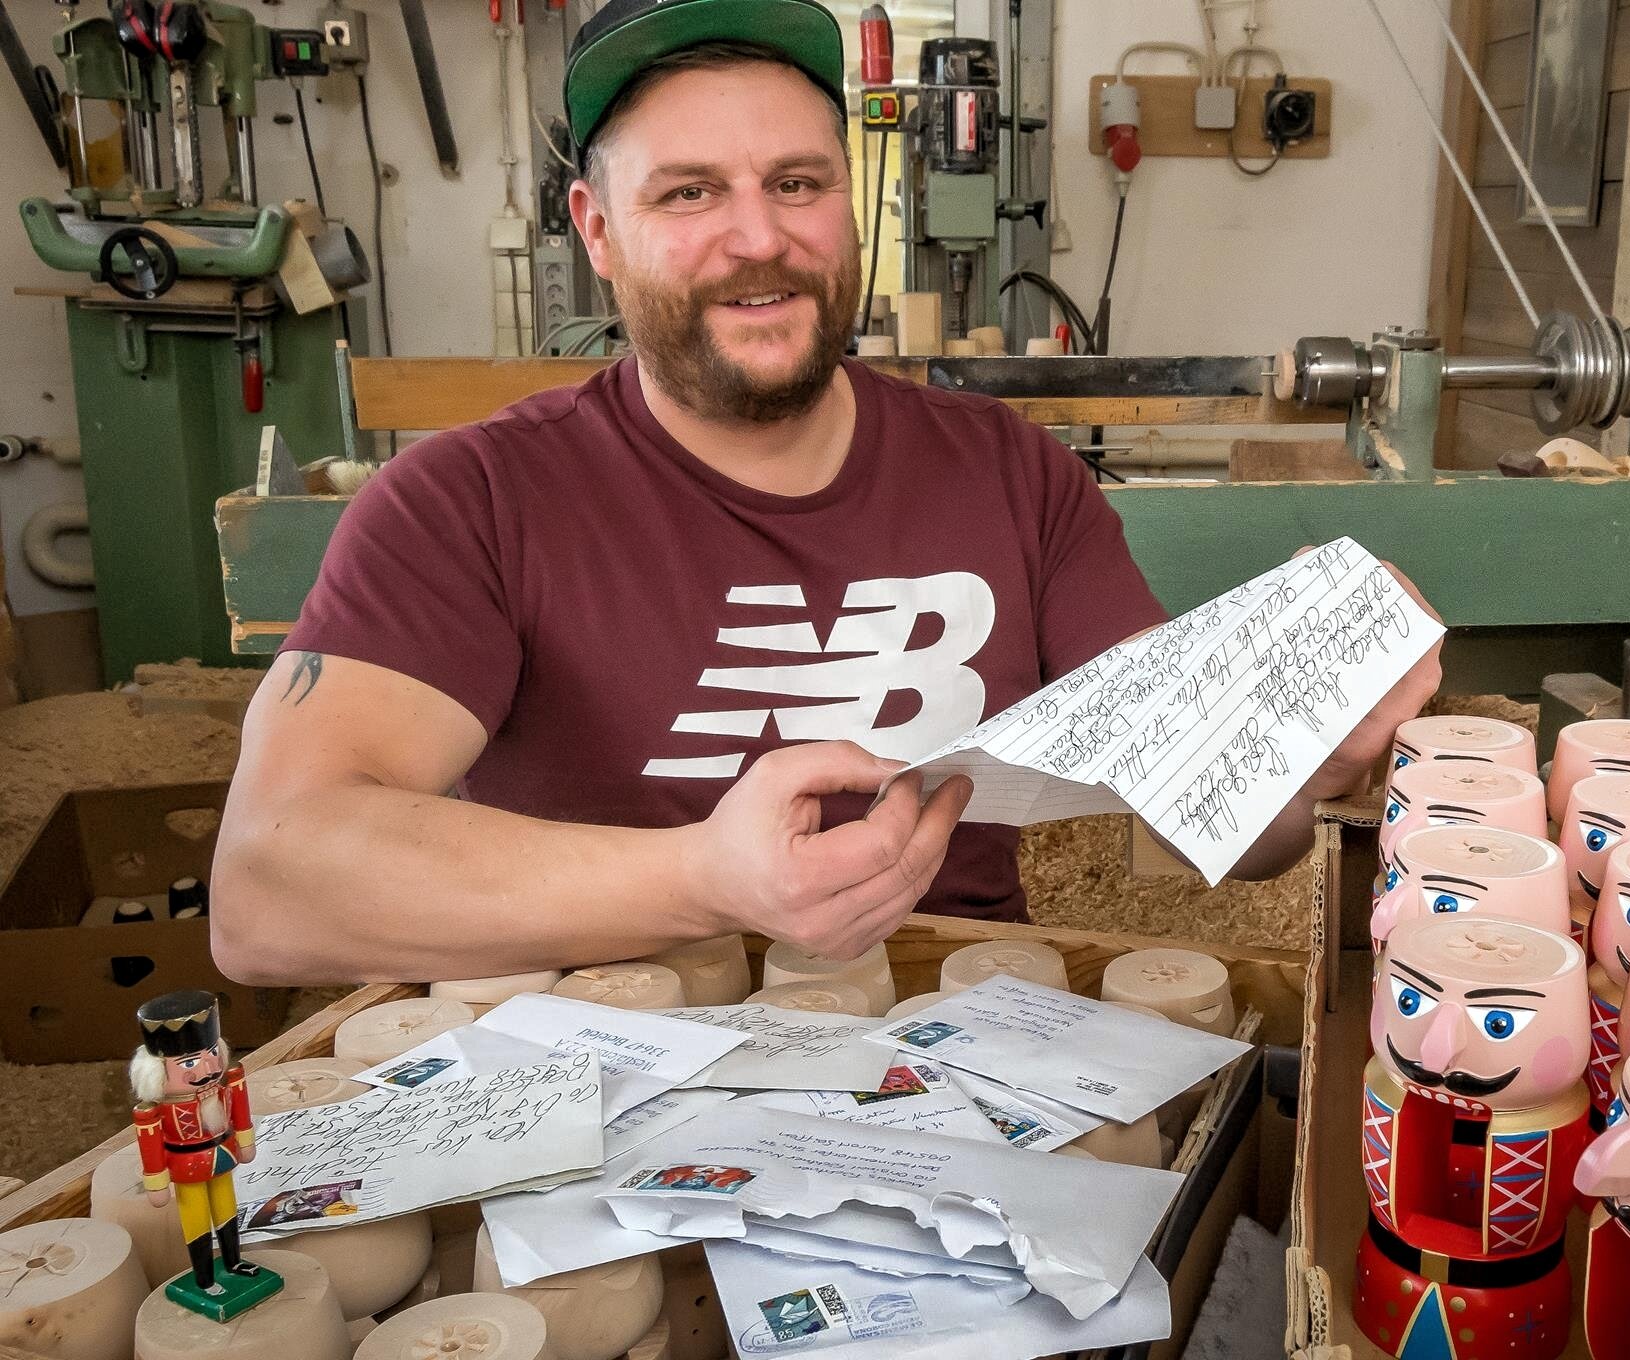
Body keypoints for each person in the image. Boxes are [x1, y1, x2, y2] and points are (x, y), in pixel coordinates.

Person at [210, 0, 1442, 986]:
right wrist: (702, 878)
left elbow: (1205, 805)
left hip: (961, 1054)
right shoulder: (469, 502)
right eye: (688, 193)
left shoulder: (1009, 474)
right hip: (611, 1058)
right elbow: (271, 887)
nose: (759, 237)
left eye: (797, 183)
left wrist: (1308, 739)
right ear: (595, 229)